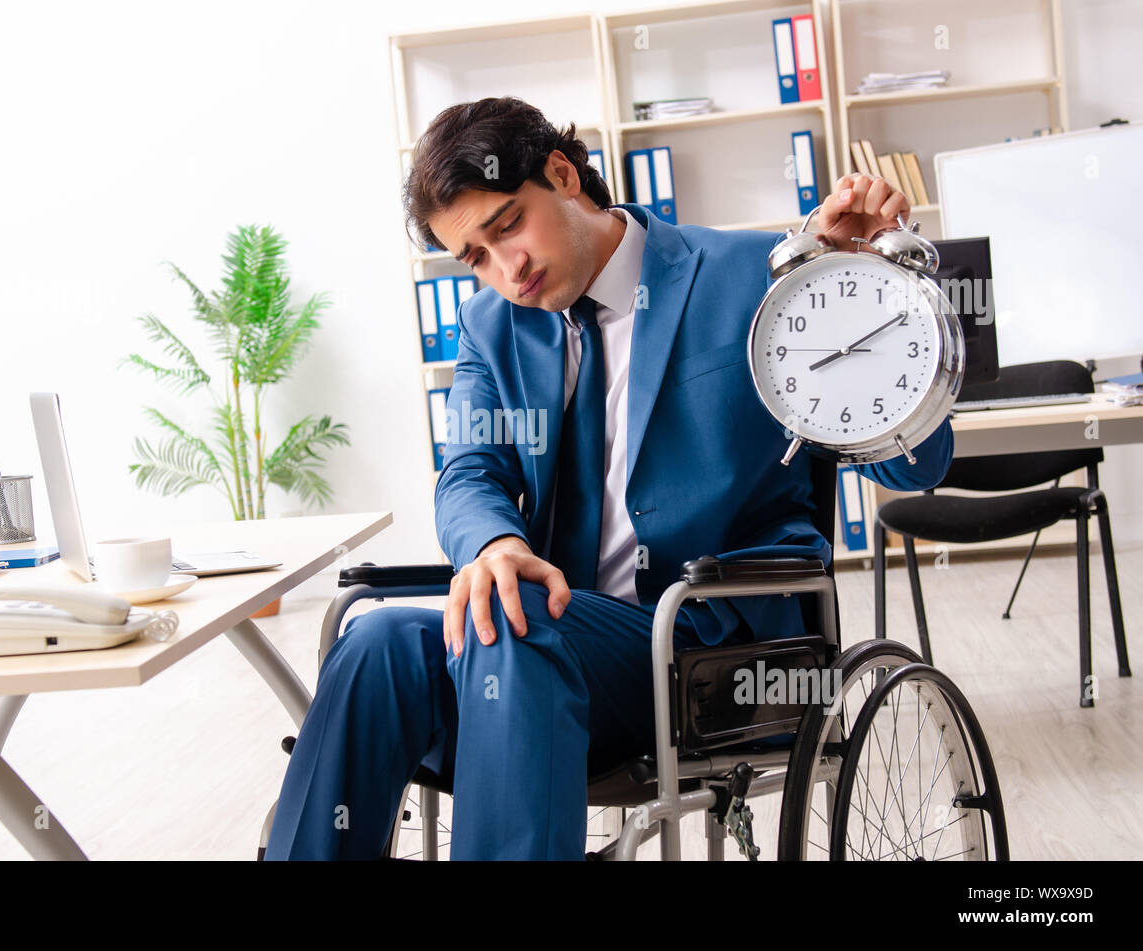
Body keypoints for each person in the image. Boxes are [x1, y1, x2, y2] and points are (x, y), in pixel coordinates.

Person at [265, 96, 952, 860]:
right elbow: (469, 472)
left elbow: (916, 464)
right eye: (476, 258)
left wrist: (871, 282)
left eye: (506, 226)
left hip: (709, 650)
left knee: (515, 622)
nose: (507, 269)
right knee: (376, 642)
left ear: (562, 174)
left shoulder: (750, 276)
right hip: (549, 646)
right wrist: (492, 543)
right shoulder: (492, 328)